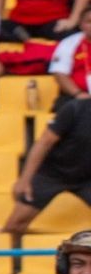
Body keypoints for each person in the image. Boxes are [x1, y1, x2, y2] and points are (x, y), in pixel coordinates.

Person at [8, 96, 91, 235]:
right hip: (52, 173)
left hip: (87, 178)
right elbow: (44, 142)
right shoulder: (74, 109)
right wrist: (25, 180)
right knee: (14, 226)